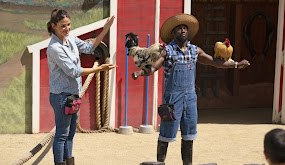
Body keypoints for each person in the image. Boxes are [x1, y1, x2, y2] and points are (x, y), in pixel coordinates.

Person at [132, 13, 250, 165]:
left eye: (185, 28)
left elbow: (214, 62)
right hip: (172, 100)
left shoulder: (195, 50)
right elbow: (153, 68)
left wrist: (236, 64)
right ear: (173, 33)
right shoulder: (167, 51)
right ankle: (160, 162)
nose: (183, 31)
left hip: (190, 98)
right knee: (166, 133)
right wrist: (140, 73)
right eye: (179, 28)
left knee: (189, 134)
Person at [46, 9, 117, 165]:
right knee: (62, 134)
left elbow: (88, 48)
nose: (67, 28)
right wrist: (99, 69)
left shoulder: (70, 39)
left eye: (69, 24)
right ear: (54, 26)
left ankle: (69, 162)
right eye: (63, 26)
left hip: (73, 95)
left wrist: (105, 30)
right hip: (61, 96)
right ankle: (59, 162)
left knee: (71, 133)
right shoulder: (54, 48)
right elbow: (74, 71)